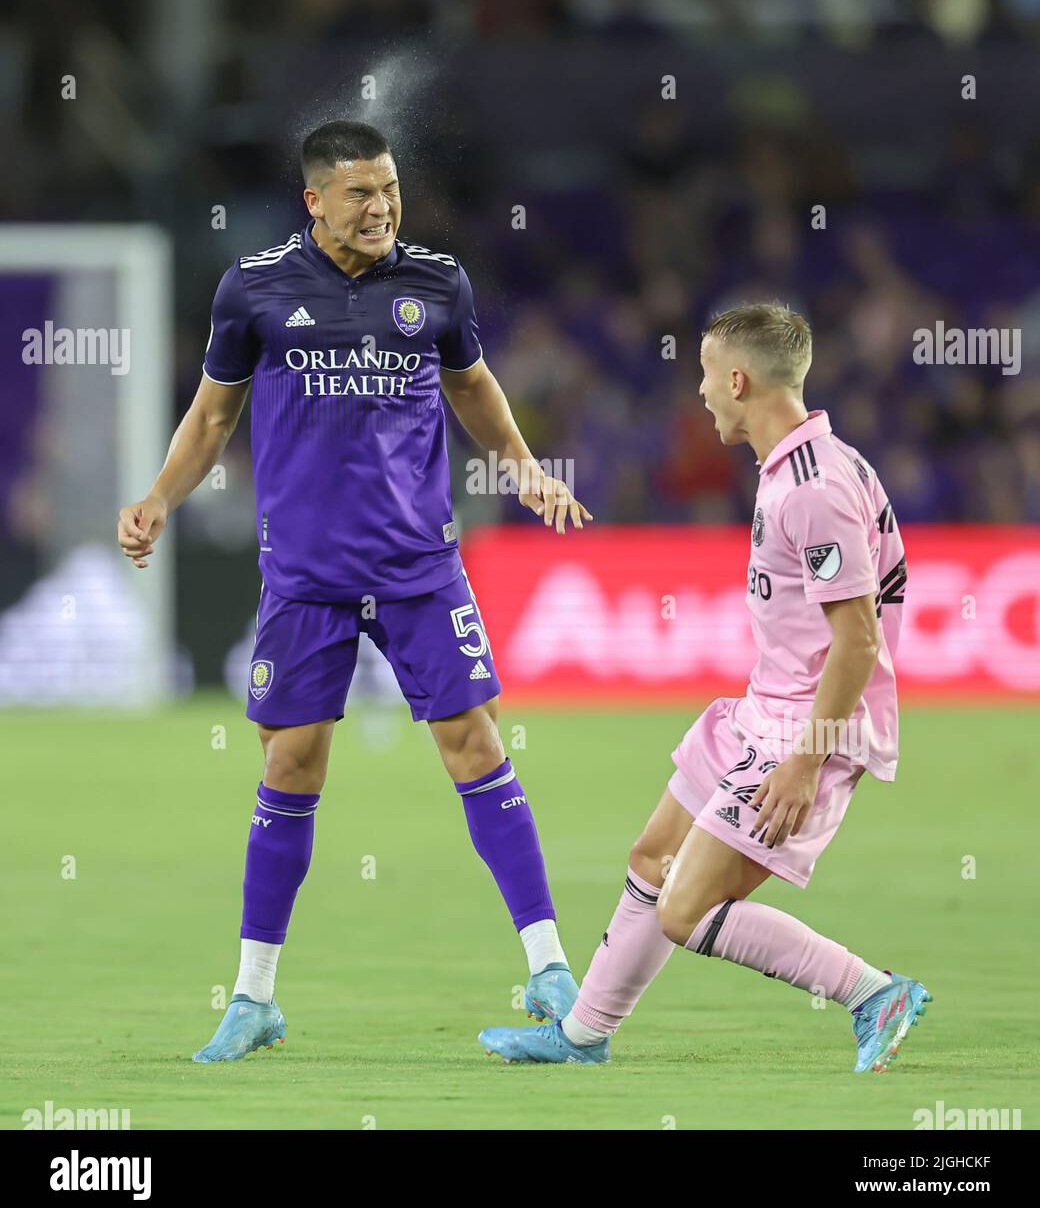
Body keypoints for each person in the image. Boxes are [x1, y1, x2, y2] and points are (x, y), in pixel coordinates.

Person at [117, 120, 590, 1061]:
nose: (380, 209)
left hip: (419, 568)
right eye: (359, 194)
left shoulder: (437, 284)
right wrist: (161, 497)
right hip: (305, 577)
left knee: (474, 742)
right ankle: (253, 998)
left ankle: (549, 968)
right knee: (289, 765)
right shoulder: (253, 289)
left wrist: (524, 469)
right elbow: (214, 415)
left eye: (390, 190)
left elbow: (476, 388)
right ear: (314, 201)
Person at [479, 303, 931, 1074]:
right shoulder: (801, 467)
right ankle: (584, 1034)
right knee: (653, 857)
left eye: (704, 376)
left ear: (738, 378)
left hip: (806, 727)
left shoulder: (813, 488)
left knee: (686, 908)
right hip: (765, 706)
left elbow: (859, 641)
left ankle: (871, 992)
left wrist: (805, 761)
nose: (699, 393)